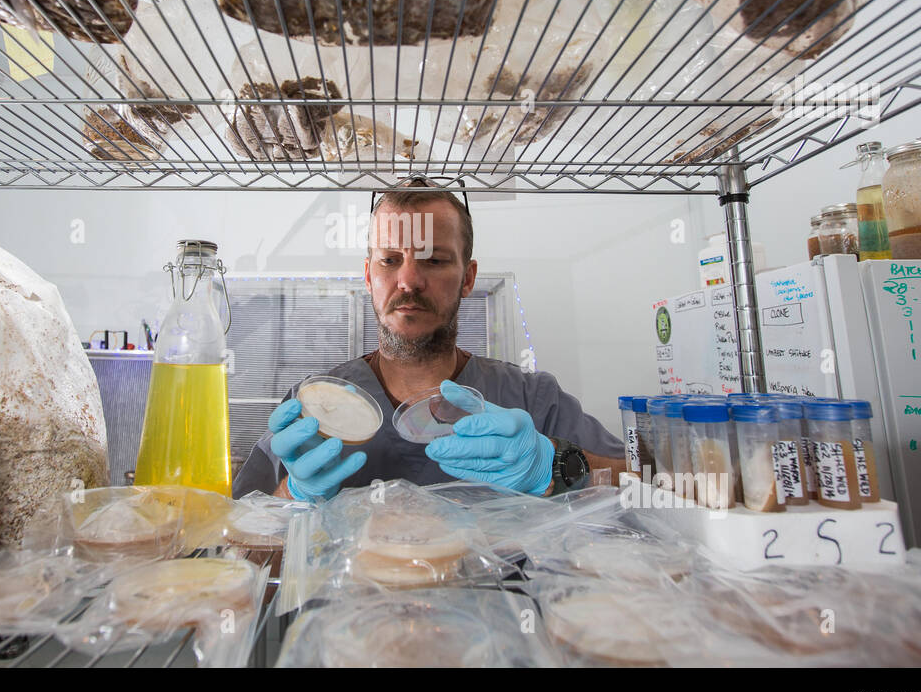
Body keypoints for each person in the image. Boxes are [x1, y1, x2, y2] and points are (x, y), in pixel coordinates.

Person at [232, 177, 627, 500]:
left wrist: (554, 466)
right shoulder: (312, 405)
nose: (408, 281)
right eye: (390, 260)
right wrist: (295, 493)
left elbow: (654, 491)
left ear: (468, 278)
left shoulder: (532, 399)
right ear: (369, 276)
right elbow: (239, 542)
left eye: (434, 260)